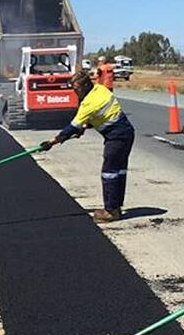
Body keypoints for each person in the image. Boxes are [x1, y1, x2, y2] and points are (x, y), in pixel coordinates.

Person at [42, 70, 135, 222]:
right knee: (119, 171)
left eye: (76, 89)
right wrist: (84, 127)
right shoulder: (100, 89)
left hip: (116, 138)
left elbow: (72, 127)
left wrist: (52, 142)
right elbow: (99, 116)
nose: (75, 92)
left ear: (85, 86)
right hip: (126, 133)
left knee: (109, 173)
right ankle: (116, 206)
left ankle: (111, 211)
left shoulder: (88, 103)